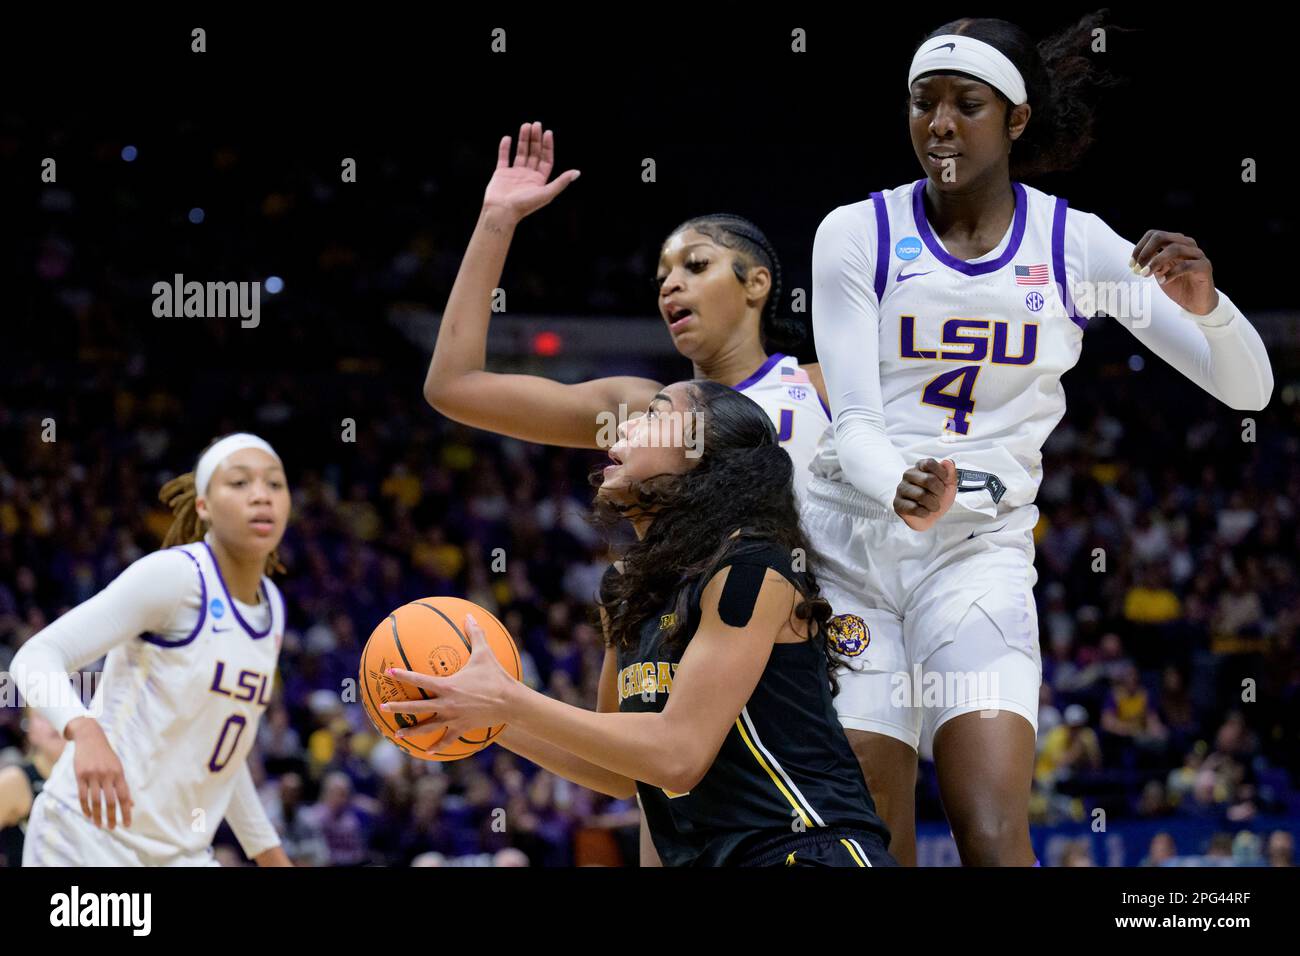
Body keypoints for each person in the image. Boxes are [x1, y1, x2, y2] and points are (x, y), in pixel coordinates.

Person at [805, 14, 1273, 864]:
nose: (939, 124)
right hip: (855, 552)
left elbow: (1249, 389)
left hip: (977, 556)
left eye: (966, 105)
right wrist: (898, 485)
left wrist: (1212, 309)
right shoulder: (855, 232)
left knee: (991, 830)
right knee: (869, 843)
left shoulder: (1073, 244)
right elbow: (858, 421)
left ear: (1018, 118)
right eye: (923, 103)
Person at [422, 122, 833, 863]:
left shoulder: (824, 389)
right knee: (663, 817)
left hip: (812, 669)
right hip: (693, 653)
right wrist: (497, 221)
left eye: (695, 264)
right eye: (660, 278)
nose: (669, 284)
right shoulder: (643, 408)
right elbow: (454, 386)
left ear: (758, 283)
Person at [387, 381, 895, 866]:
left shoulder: (750, 568)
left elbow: (678, 756)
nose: (620, 430)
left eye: (653, 416)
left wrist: (509, 699)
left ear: (703, 456)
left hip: (808, 849)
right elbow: (618, 770)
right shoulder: (626, 588)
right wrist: (489, 721)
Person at [10, 434, 294, 866]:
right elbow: (34, 657)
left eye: (274, 484)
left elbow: (222, 754)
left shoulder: (271, 608)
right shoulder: (176, 578)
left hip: (181, 853)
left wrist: (270, 854)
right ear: (203, 505)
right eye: (239, 483)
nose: (261, 496)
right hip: (86, 839)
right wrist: (84, 731)